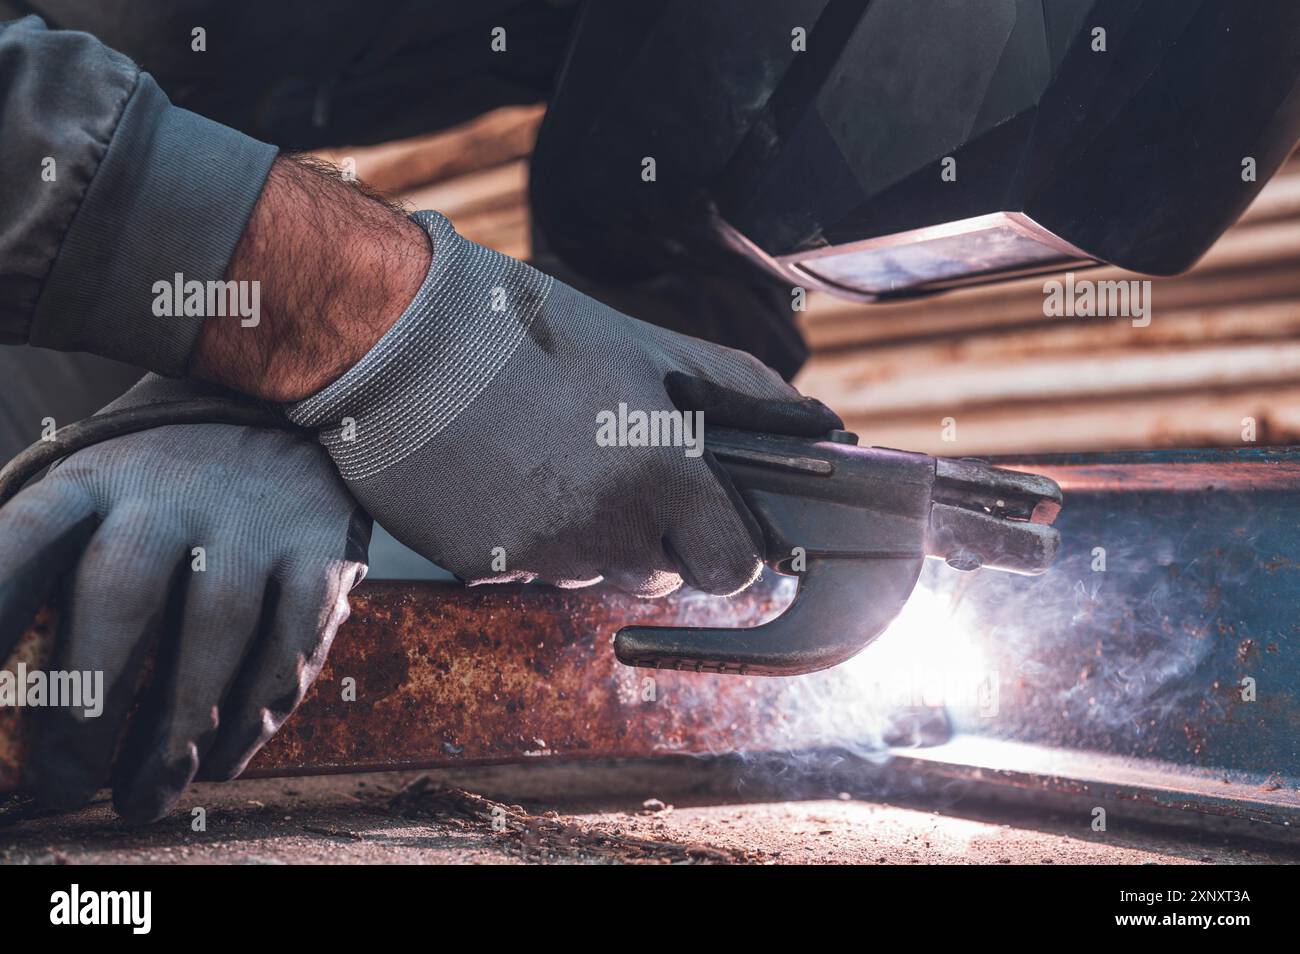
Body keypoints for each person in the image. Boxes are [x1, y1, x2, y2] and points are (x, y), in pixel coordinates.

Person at [0, 6, 837, 821]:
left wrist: (282, 399)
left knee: (133, 649)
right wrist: (360, 313)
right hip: (45, 266)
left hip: (146, 260)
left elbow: (669, 235)